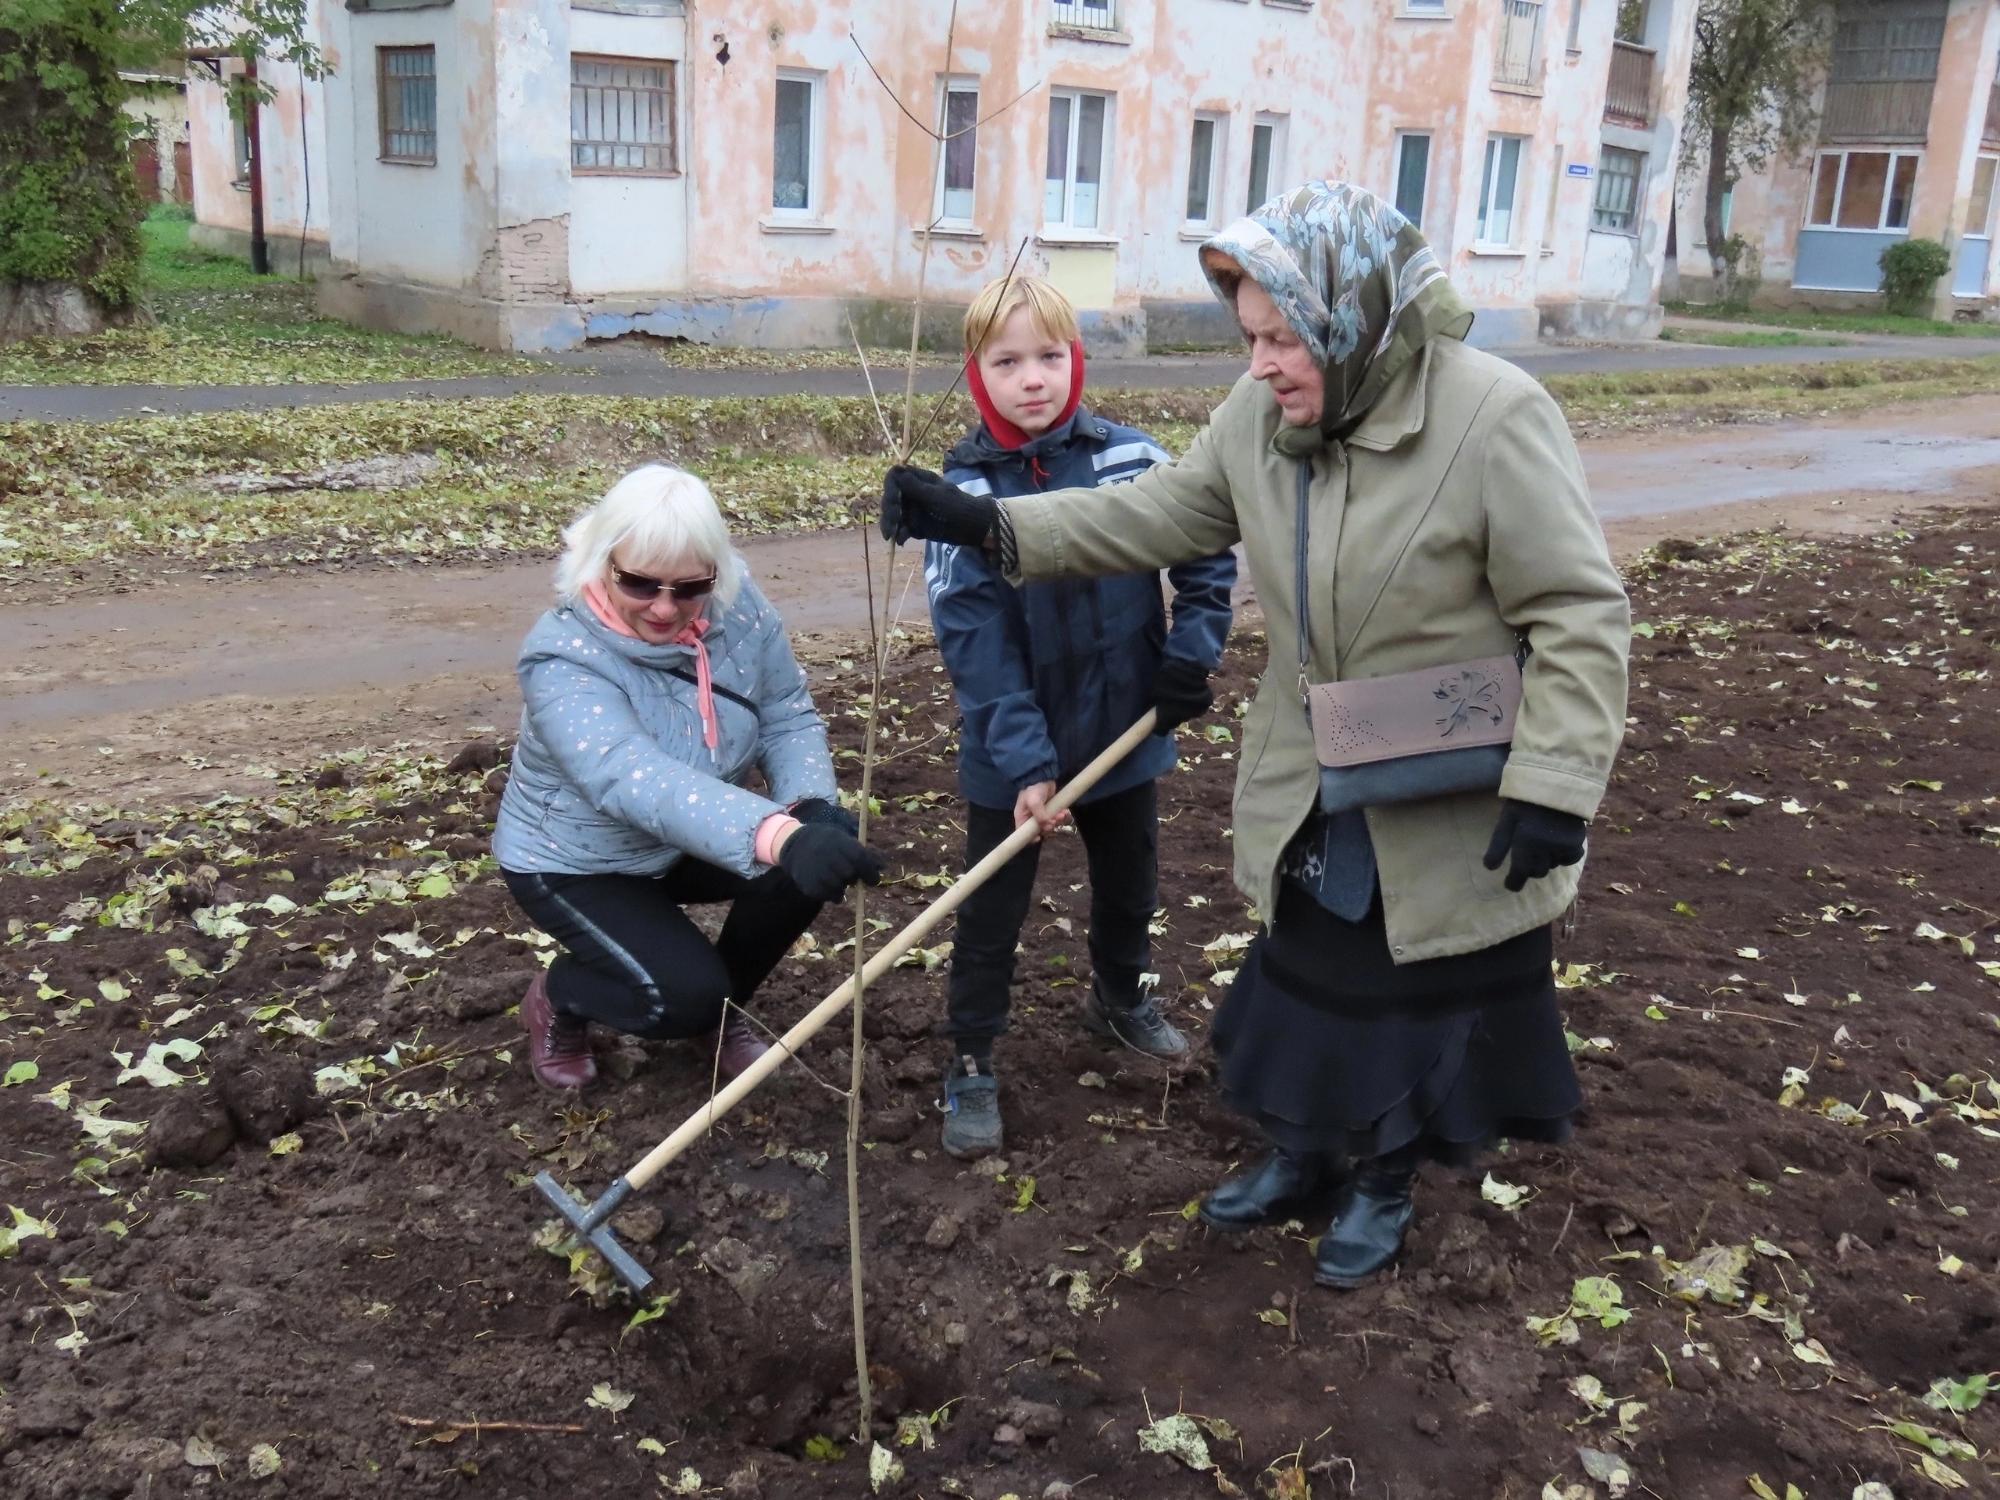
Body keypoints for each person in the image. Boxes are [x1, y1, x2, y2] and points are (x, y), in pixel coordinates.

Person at [879, 183, 1629, 1287]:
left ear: (1353, 317)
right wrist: (989, 525)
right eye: (1250, 339)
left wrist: (1556, 782)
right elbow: (1161, 515)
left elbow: (1576, 609)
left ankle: (1380, 1182)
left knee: (1403, 974)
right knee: (1312, 958)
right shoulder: (1260, 419)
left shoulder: (1490, 416)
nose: (1262, 364)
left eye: (1284, 339)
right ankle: (1304, 1153)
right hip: (1315, 753)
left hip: (1447, 766)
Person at [924, 274, 1237, 1159]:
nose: (1035, 378)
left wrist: (1190, 652)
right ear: (978, 374)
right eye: (1009, 361)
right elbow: (973, 638)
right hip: (1008, 747)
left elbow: (1207, 554)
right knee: (991, 912)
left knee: (1131, 883)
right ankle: (974, 1053)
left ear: (1078, 361)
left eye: (1051, 357)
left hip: (1124, 732)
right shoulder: (962, 496)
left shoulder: (1132, 459)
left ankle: (1121, 995)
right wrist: (1025, 761)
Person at [496, 464, 883, 1092]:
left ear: (716, 571)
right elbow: (629, 778)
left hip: (683, 838)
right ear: (603, 562)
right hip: (579, 860)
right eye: (641, 584)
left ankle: (721, 1015)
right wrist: (777, 835)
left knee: (823, 829)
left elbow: (785, 711)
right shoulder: (561, 659)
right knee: (677, 998)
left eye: (689, 587)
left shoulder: (741, 609)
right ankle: (562, 994)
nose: (665, 607)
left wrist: (807, 808)